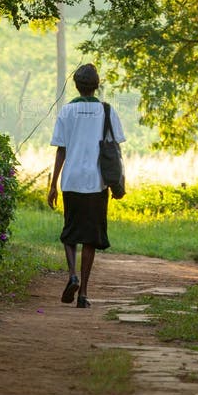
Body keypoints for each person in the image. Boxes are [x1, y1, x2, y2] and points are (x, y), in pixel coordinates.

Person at [47, 63, 125, 308]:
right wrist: (119, 181)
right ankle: (84, 294)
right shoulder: (107, 111)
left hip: (71, 181)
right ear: (97, 85)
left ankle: (72, 275)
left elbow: (61, 149)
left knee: (70, 233)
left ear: (77, 86)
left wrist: (53, 185)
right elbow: (115, 150)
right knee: (90, 238)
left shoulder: (67, 111)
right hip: (96, 181)